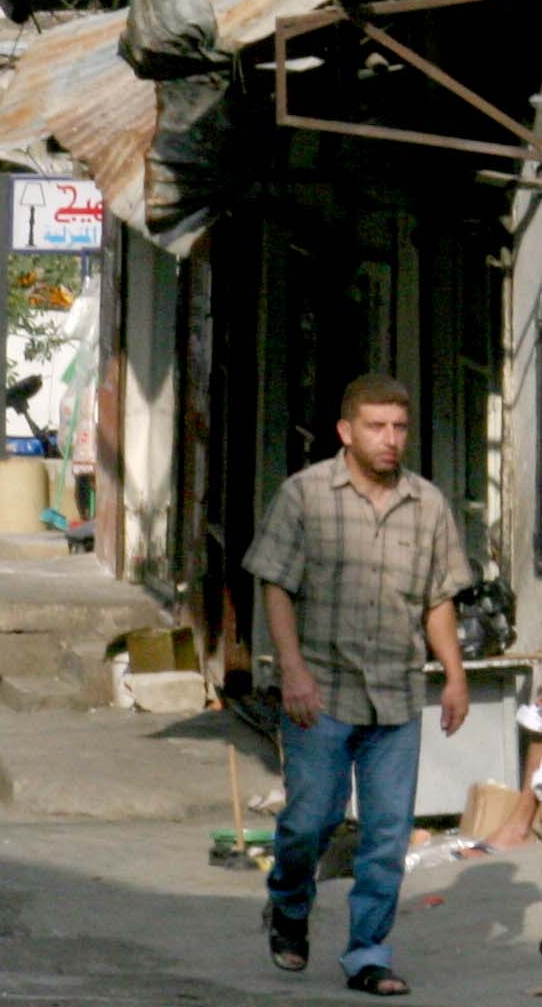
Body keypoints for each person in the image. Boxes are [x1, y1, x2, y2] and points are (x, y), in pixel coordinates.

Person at [245, 374, 471, 999]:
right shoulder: (304, 496)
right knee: (310, 822)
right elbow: (275, 584)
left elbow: (438, 599)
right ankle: (289, 904)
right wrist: (290, 669)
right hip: (321, 688)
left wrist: (452, 675)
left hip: (397, 694)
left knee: (386, 834)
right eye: (376, 426)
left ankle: (368, 953)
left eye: (399, 427)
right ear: (347, 432)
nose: (390, 439)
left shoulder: (428, 505)